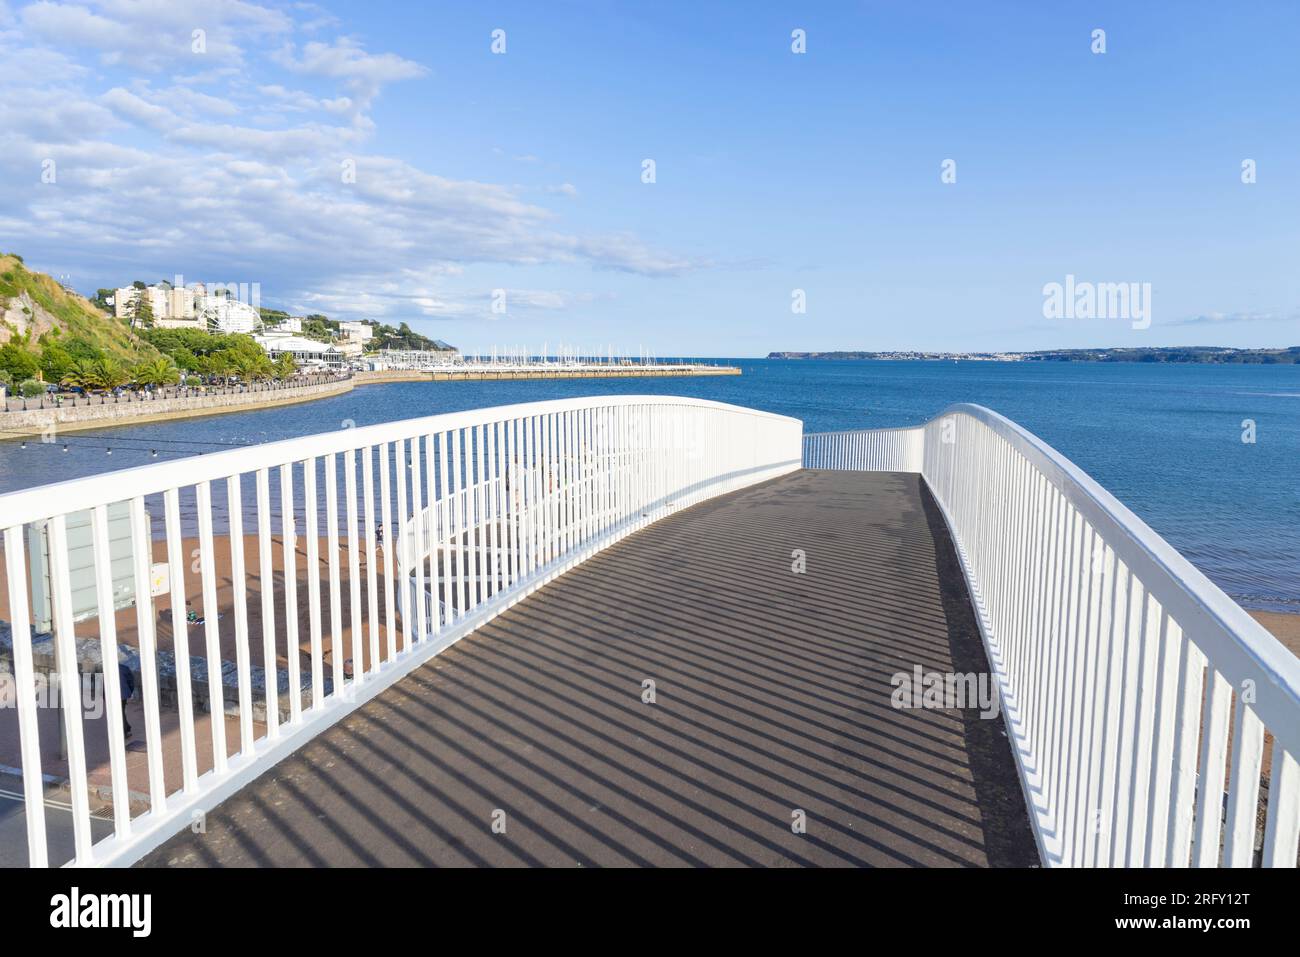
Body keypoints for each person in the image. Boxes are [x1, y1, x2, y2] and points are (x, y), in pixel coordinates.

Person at [118, 663, 135, 739]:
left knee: (119, 713)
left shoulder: (104, 668)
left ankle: (125, 729)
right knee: (121, 712)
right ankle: (126, 729)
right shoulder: (124, 668)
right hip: (123, 695)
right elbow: (131, 681)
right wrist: (129, 692)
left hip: (112, 694)